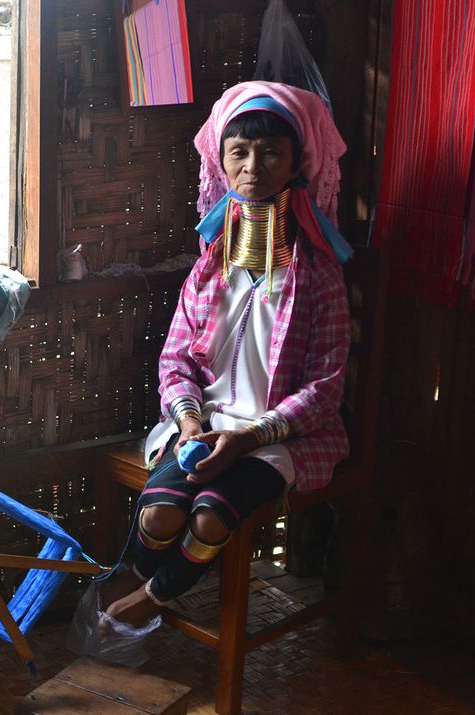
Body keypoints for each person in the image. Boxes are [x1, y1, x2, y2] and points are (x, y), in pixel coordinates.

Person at [101, 81, 355, 628]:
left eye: (270, 152)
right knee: (162, 511)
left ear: (298, 163)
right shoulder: (210, 265)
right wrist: (190, 421)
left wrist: (251, 435)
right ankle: (139, 581)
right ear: (221, 161)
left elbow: (325, 387)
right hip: (205, 426)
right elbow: (176, 361)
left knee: (211, 518)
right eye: (239, 151)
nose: (253, 166)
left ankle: (150, 596)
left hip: (278, 438)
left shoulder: (318, 274)